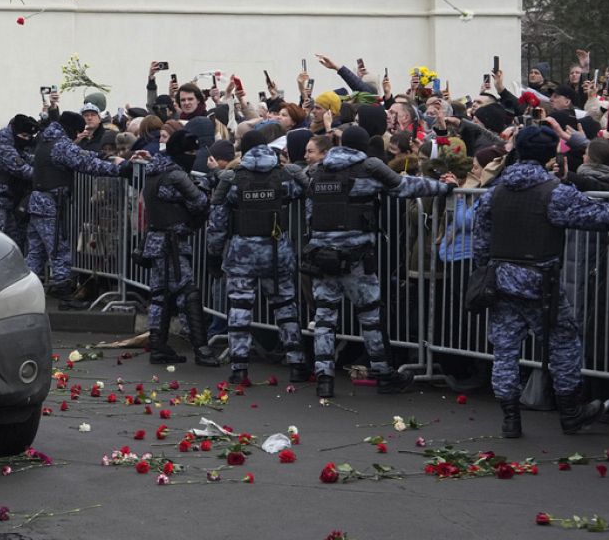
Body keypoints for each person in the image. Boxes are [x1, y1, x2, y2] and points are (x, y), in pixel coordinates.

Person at [472, 125, 609, 438]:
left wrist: (486, 269)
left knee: (505, 351)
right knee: (564, 344)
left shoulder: (495, 191)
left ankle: (510, 419)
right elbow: (600, 217)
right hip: (542, 284)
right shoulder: (554, 192)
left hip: (501, 281)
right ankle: (571, 413)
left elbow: (481, 240)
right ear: (551, 155)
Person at [302, 125, 455, 398]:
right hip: (356, 258)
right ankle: (384, 374)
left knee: (325, 318)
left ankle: (324, 379)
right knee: (371, 317)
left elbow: (310, 214)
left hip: (321, 255)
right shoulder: (368, 168)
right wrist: (444, 187)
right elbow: (405, 187)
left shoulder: (318, 171)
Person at [206, 130, 310, 385]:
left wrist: (213, 253)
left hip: (242, 254)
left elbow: (217, 223)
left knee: (240, 310)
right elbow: (305, 192)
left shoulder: (233, 178)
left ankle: (239, 368)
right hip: (277, 252)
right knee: (286, 307)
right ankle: (297, 364)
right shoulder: (284, 176)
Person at [26, 111, 131, 300]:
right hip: (51, 205)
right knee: (59, 251)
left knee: (36, 253)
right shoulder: (60, 145)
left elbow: (81, 154)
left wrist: (103, 155)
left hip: (38, 203)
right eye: (77, 131)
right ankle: (64, 295)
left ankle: (23, 295)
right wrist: (119, 169)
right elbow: (86, 164)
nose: (77, 136)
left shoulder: (47, 139)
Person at [140, 129, 218, 366]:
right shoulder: (175, 175)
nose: (194, 156)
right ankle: (202, 349)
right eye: (191, 152)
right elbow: (199, 203)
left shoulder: (154, 171)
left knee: (160, 295)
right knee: (187, 293)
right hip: (172, 244)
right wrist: (209, 183)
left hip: (156, 241)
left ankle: (158, 345)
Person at [0, 114, 38, 251]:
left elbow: (28, 158)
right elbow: (23, 170)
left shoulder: (11, 145)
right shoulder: (3, 149)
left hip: (7, 203)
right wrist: (45, 175)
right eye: (24, 136)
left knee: (13, 243)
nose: (26, 140)